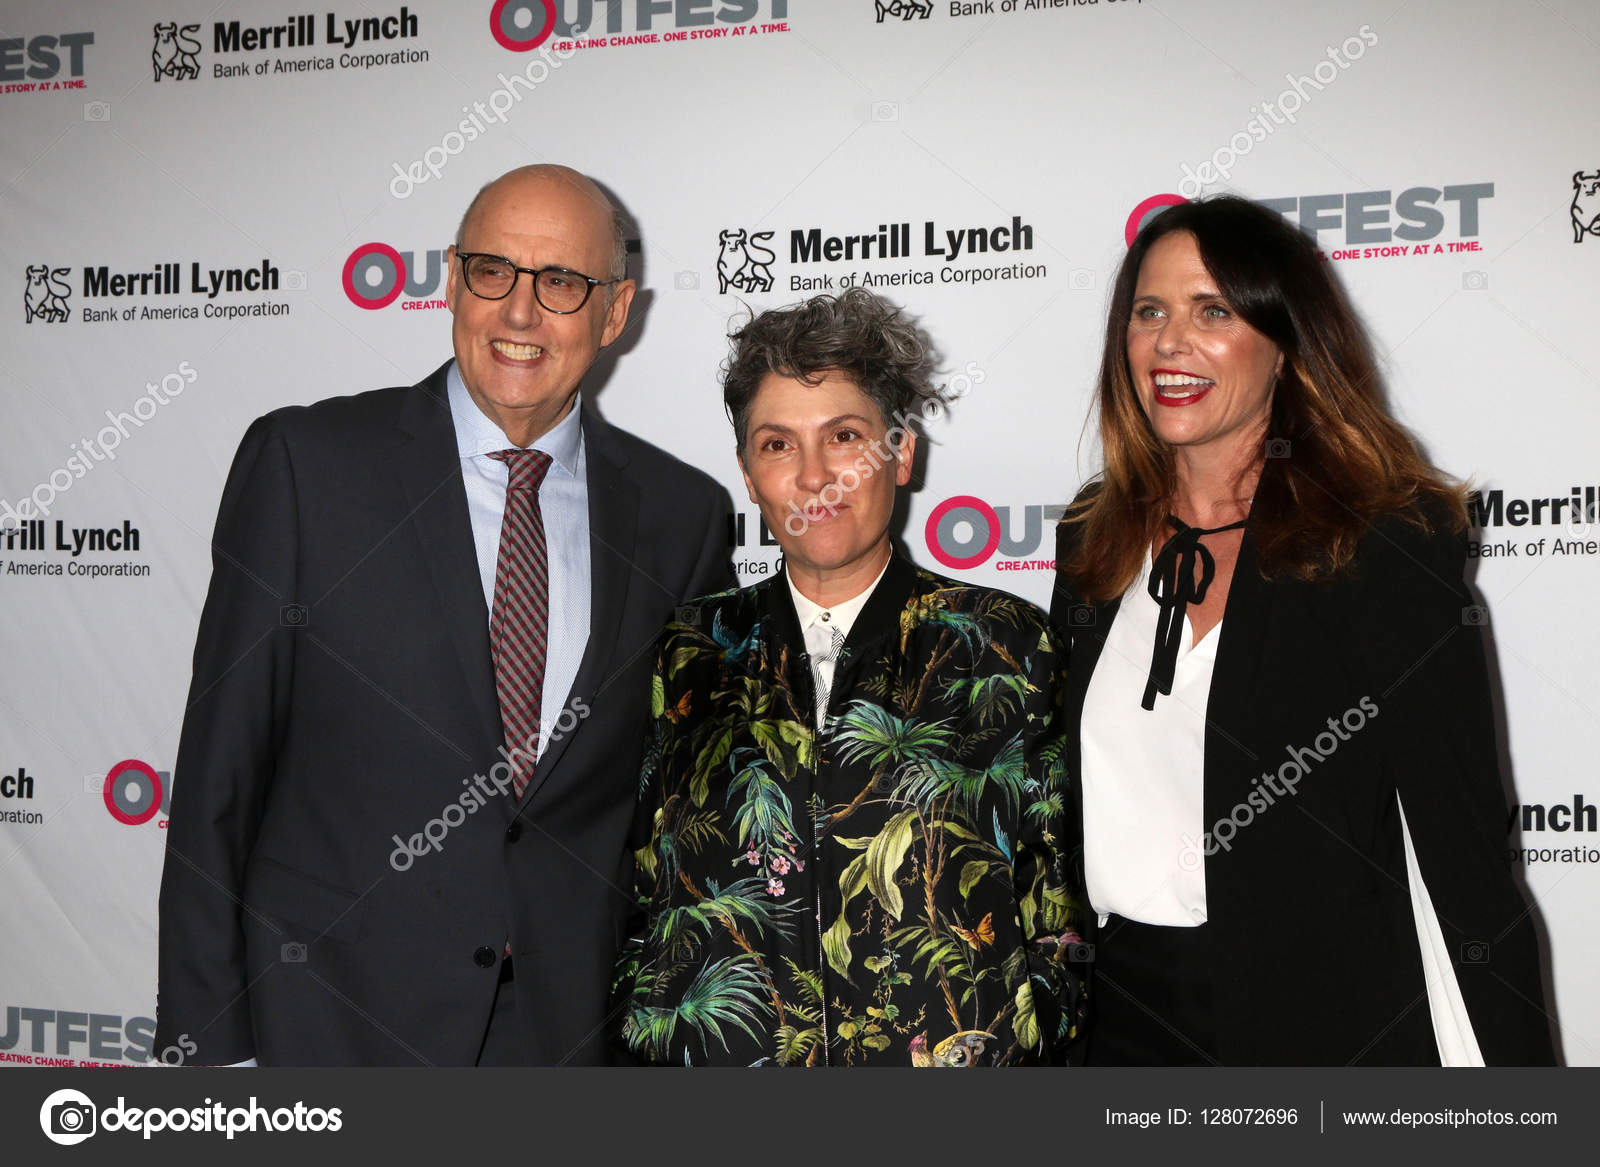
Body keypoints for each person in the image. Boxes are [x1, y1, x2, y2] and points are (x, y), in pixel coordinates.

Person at [154, 164, 734, 1066]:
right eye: (491, 271)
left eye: (562, 283)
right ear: (452, 280)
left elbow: (673, 808)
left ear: (615, 314)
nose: (518, 312)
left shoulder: (681, 516)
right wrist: (208, 1043)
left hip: (565, 1036)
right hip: (327, 1022)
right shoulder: (308, 466)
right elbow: (217, 778)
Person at [1052, 195, 1555, 1066]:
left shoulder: (1381, 544)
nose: (1171, 342)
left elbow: (1466, 855)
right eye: (1149, 312)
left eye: (1213, 310)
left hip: (1330, 1025)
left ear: (1284, 342)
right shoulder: (1094, 538)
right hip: (1123, 1014)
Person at [614, 288, 1088, 1066]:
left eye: (844, 436)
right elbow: (642, 890)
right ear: (746, 471)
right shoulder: (689, 650)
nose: (814, 475)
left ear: (901, 451)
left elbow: (1054, 903)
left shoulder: (1006, 644)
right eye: (777, 444)